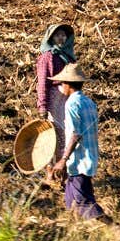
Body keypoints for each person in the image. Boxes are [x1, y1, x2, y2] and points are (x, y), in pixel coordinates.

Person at [46, 62, 106, 221]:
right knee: (70, 202)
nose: (61, 86)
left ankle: (115, 227)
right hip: (88, 158)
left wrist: (62, 160)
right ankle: (76, 235)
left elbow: (75, 134)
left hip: (79, 161)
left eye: (62, 83)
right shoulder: (89, 102)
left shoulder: (71, 104)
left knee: (83, 203)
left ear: (68, 85)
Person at [34, 23, 76, 157]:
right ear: (51, 38)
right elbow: (42, 83)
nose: (61, 38)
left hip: (68, 97)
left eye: (63, 35)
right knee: (57, 134)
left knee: (70, 131)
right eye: (57, 35)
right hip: (55, 98)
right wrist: (43, 107)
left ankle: (65, 166)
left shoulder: (68, 57)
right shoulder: (47, 57)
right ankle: (56, 167)